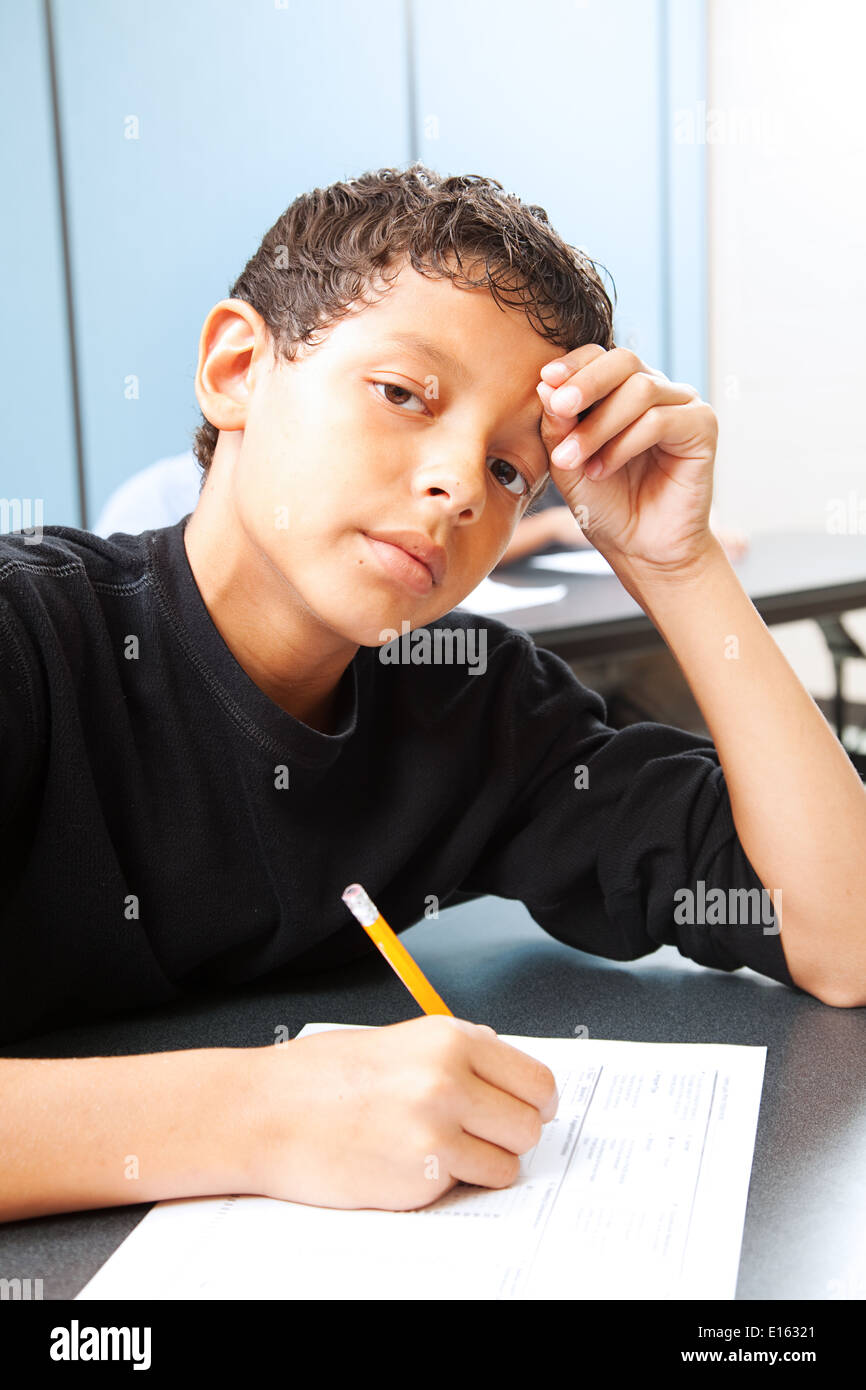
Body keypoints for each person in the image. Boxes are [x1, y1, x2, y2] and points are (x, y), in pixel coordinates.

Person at [2, 165, 865, 1225]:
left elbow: (844, 931)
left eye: (511, 471)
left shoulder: (470, 709)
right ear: (236, 368)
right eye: (403, 394)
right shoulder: (29, 643)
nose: (461, 483)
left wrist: (677, 568)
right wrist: (259, 1112)